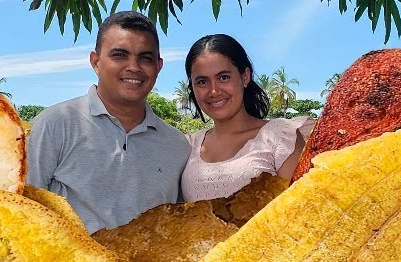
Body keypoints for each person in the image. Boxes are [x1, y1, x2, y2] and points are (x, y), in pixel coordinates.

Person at [27, 11, 189, 233]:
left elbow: (177, 224)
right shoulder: (54, 125)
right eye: (119, 55)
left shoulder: (177, 145)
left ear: (158, 66)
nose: (134, 67)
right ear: (96, 62)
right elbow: (23, 209)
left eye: (145, 58)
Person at [180, 34, 312, 202]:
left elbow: (301, 207)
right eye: (202, 82)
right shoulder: (188, 145)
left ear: (245, 76)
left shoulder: (280, 137)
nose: (214, 91)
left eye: (223, 77)